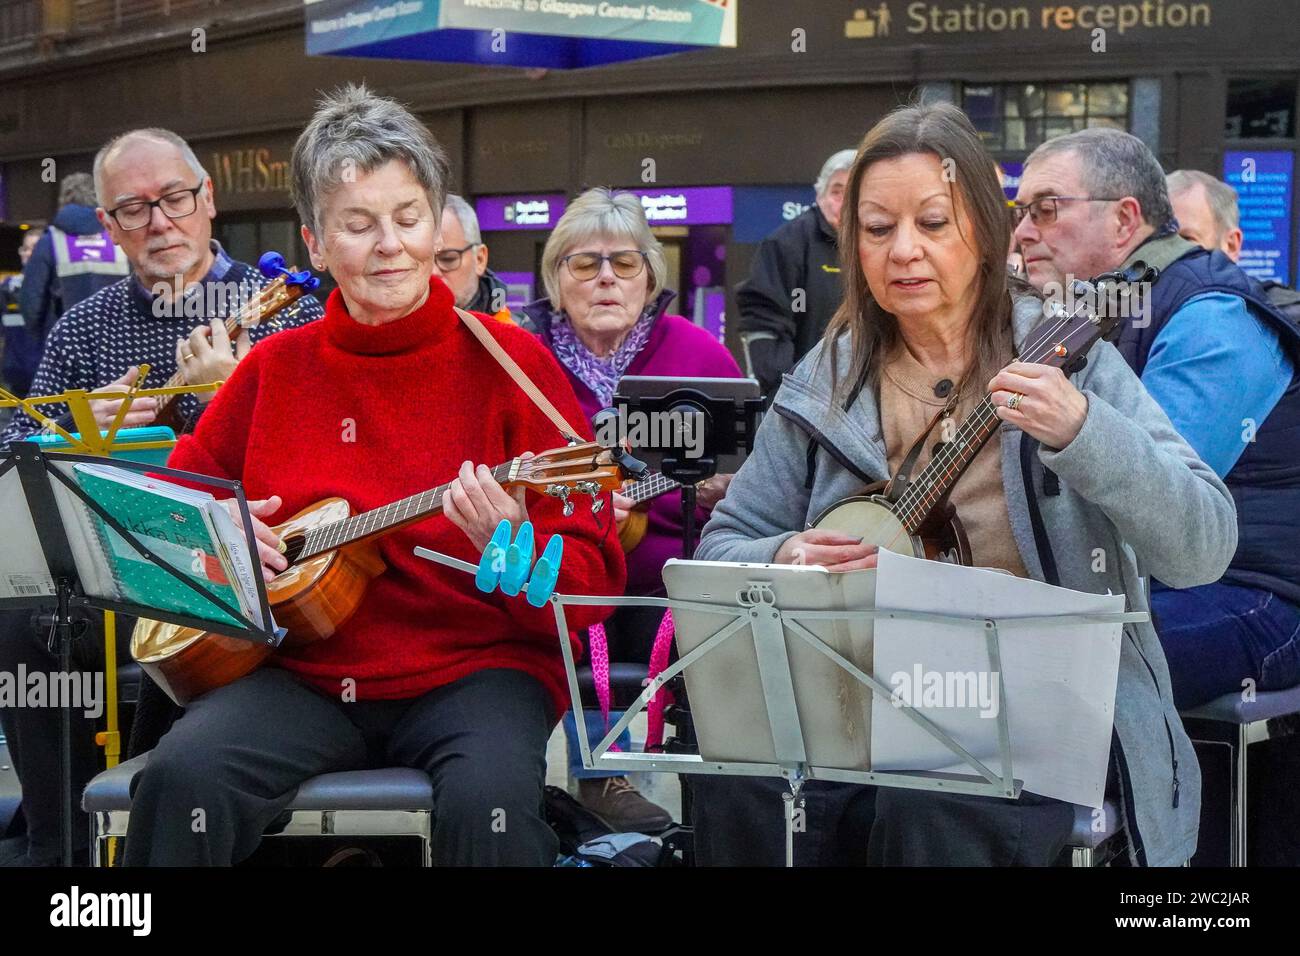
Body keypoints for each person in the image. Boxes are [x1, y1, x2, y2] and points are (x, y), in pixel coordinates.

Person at [694, 102, 1236, 866]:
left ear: (982, 230)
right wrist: (784, 553)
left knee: (933, 802)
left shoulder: (1068, 356)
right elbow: (723, 543)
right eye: (877, 230)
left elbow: (1203, 547)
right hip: (854, 699)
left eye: (933, 223)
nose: (904, 251)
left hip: (1039, 707)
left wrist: (1086, 432)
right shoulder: (828, 376)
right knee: (740, 790)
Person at [120, 85, 625, 867]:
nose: (389, 245)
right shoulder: (272, 370)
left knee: (491, 807)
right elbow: (162, 519)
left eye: (408, 217)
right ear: (317, 244)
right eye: (358, 225)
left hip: (478, 670)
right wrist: (220, 542)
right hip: (306, 676)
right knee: (183, 776)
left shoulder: (515, 367)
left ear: (435, 224)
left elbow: (591, 590)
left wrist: (514, 546)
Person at [0, 128, 323, 867]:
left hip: (254, 571)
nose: (159, 221)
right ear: (109, 227)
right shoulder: (83, 329)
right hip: (116, 572)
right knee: (27, 628)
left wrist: (225, 400)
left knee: (178, 634)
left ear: (208, 200)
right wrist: (83, 426)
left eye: (174, 198)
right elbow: (19, 459)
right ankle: (64, 854)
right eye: (134, 208)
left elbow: (316, 468)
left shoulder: (288, 314)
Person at [1014, 133, 1300, 716]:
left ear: (1124, 220)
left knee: (1053, 669)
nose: (1021, 233)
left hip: (1258, 596)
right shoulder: (1092, 306)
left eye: (1045, 210)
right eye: (1018, 214)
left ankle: (1107, 811)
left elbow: (1166, 509)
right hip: (1156, 588)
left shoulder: (1213, 315)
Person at [524, 187, 742, 833]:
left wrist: (715, 487)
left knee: (709, 631)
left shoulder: (700, 354)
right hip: (560, 568)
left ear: (651, 276)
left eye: (624, 262)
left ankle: (716, 800)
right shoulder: (520, 363)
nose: (605, 279)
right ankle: (597, 779)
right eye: (583, 263)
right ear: (555, 278)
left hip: (671, 572)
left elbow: (750, 475)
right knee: (553, 606)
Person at [737, 148, 855, 398]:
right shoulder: (785, 244)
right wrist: (790, 397)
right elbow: (765, 326)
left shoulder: (877, 244)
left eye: (854, 191)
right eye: (837, 191)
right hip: (803, 402)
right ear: (820, 194)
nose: (845, 201)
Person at [1167, 168, 1300, 324]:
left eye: (1186, 239)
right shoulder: (1137, 314)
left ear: (1231, 245)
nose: (1166, 253)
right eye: (1154, 241)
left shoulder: (1283, 321)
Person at [19, 172, 130, 348]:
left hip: (66, 349)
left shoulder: (50, 240)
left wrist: (42, 340)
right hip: (119, 347)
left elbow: (31, 302)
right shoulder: (119, 235)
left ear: (65, 199)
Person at [435, 193, 519, 325]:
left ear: (480, 259)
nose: (433, 273)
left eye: (448, 259)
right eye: (421, 261)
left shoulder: (519, 338)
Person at [0, 227, 43, 398]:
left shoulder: (57, 288)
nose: (28, 253)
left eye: (34, 248)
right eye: (25, 248)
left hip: (46, 375)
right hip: (15, 375)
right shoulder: (8, 287)